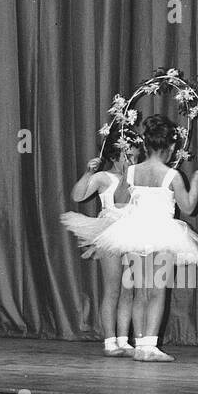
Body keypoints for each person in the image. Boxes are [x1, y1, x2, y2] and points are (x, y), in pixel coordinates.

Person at [87, 114, 198, 361]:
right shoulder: (172, 175)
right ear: (172, 147)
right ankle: (148, 346)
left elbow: (120, 201)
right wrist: (196, 182)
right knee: (157, 290)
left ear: (146, 144)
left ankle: (142, 343)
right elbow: (189, 207)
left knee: (141, 290)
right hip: (162, 233)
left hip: (134, 233)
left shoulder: (131, 171)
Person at [60, 129, 139, 354]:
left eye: (135, 156)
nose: (133, 160)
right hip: (110, 232)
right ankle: (109, 341)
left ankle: (124, 340)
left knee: (129, 290)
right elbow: (78, 196)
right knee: (113, 288)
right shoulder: (104, 178)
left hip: (134, 233)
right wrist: (88, 172)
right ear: (115, 156)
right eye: (128, 156)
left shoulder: (138, 176)